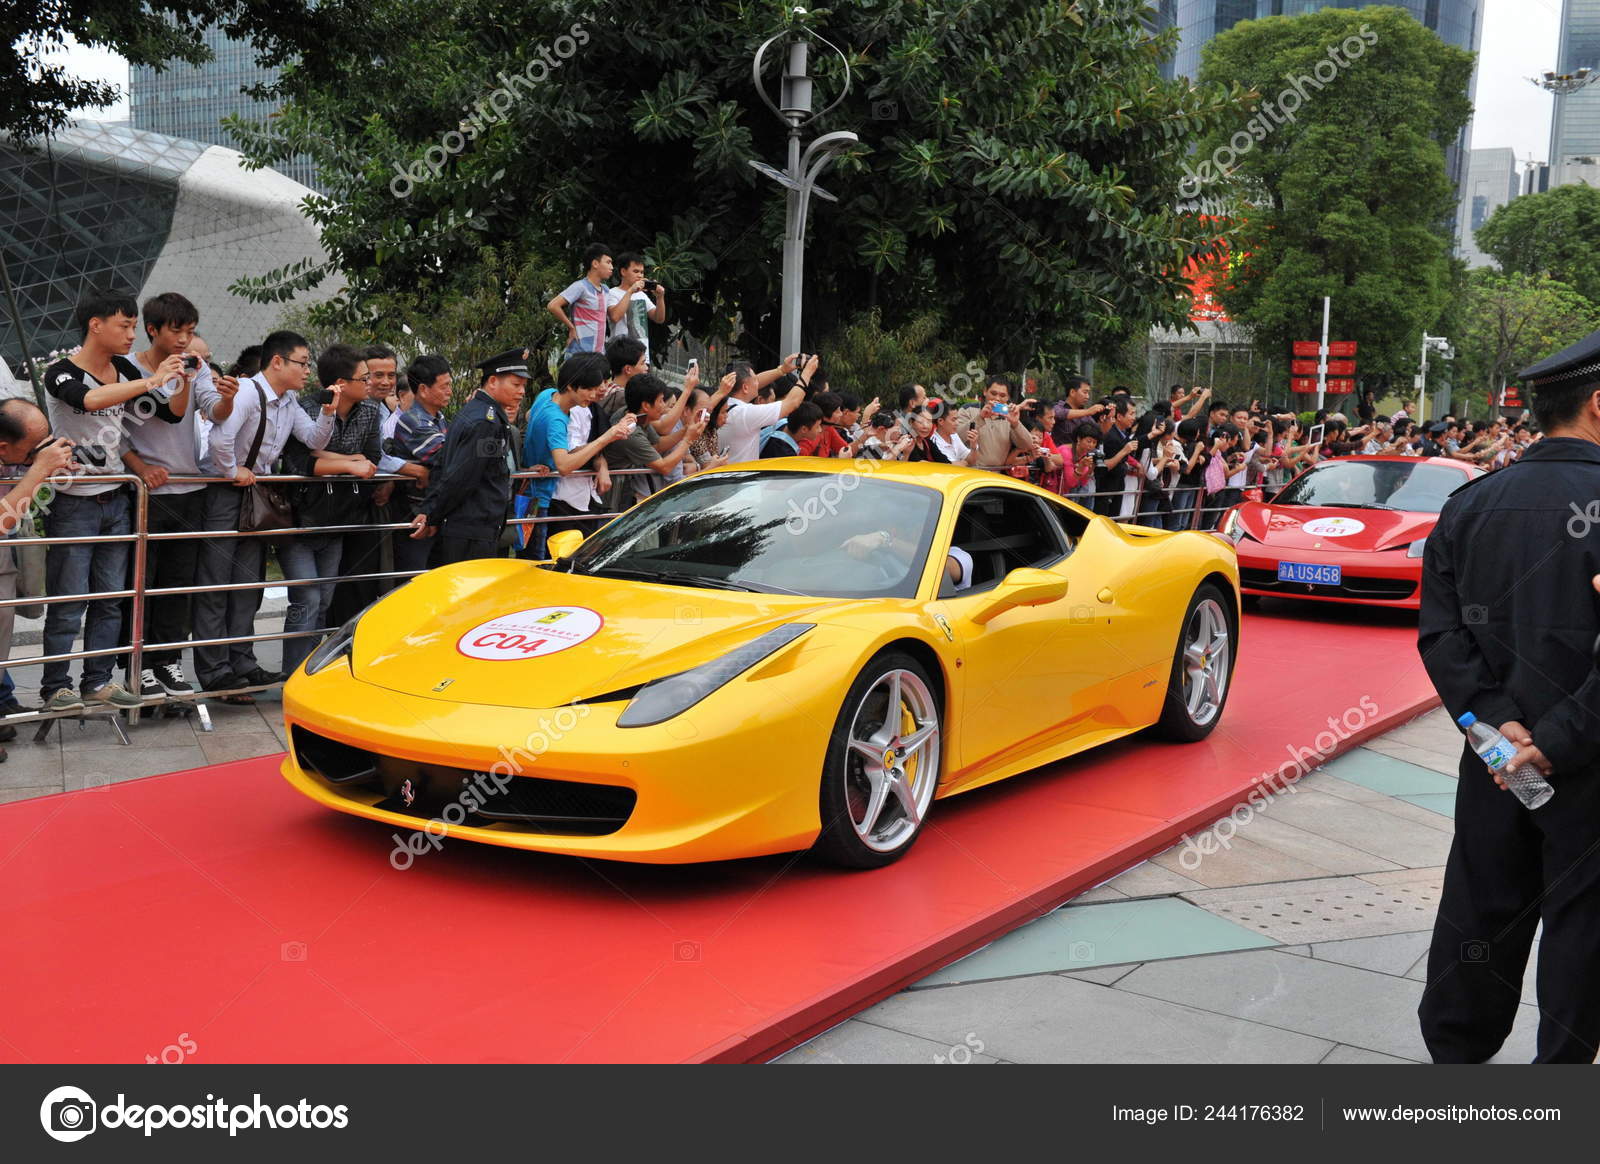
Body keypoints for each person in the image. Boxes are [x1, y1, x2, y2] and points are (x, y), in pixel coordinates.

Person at [1415, 328, 1600, 1063]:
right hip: (1588, 768)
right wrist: (1554, 743)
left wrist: (1503, 737)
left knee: (1482, 907)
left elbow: (1441, 640)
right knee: (1584, 920)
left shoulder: (1469, 505)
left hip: (1496, 765)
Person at [39, 289, 189, 711]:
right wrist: (151, 379)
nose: (131, 335)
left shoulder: (124, 369)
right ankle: (55, 687)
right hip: (73, 501)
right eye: (124, 326)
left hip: (116, 498)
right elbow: (87, 401)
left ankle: (99, 681)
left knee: (111, 598)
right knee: (69, 600)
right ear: (95, 325)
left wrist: (181, 381)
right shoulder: (61, 372)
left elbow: (172, 413)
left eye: (132, 326)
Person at [196, 330, 336, 695]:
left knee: (248, 583)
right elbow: (219, 441)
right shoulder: (246, 392)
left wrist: (327, 412)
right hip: (225, 492)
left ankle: (242, 661)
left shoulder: (289, 401)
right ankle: (215, 671)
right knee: (216, 582)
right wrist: (233, 471)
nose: (307, 371)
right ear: (278, 361)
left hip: (255, 493)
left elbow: (315, 441)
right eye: (302, 363)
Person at [119, 291, 239, 698]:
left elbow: (212, 411)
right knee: (144, 582)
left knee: (177, 583)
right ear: (152, 330)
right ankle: (139, 664)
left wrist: (226, 398)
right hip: (149, 491)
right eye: (177, 330)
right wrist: (140, 468)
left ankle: (168, 661)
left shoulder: (195, 365)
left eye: (190, 331)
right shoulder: (127, 368)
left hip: (191, 488)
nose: (185, 339)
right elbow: (116, 431)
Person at [278, 344, 384, 674]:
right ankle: (292, 673)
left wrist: (339, 462)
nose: (370, 383)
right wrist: (348, 464)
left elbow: (372, 458)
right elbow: (298, 461)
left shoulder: (368, 412)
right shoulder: (308, 408)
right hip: (300, 518)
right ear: (340, 382)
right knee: (306, 598)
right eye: (364, 377)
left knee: (323, 599)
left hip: (339, 517)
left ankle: (310, 673)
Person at [0, 400, 77, 744]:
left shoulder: (15, 457)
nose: (40, 452)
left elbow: (25, 500)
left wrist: (48, 470)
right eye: (33, 447)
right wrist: (37, 470)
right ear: (4, 446)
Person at [413, 349, 532, 564]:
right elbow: (463, 476)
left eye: (523, 385)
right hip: (472, 527)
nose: (522, 392)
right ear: (493, 381)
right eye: (516, 384)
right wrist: (433, 514)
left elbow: (446, 465)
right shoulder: (485, 422)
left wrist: (431, 509)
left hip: (471, 524)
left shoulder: (479, 411)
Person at [517, 352, 635, 560]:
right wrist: (605, 438)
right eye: (588, 389)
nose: (592, 394)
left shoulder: (547, 395)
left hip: (533, 495)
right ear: (571, 387)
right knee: (543, 564)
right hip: (542, 501)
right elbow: (564, 465)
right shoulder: (557, 420)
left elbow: (564, 450)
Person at [387, 354, 450, 579]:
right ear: (423, 389)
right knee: (413, 582)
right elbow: (449, 458)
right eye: (445, 386)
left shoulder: (439, 418)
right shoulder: (413, 421)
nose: (449, 391)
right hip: (414, 515)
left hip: (433, 511)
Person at [718, 355, 815, 463]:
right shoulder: (745, 413)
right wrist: (807, 373)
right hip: (740, 476)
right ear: (745, 388)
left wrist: (782, 370)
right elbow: (792, 403)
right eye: (755, 379)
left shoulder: (722, 404)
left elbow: (756, 382)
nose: (758, 383)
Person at [548, 243, 614, 355]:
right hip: (579, 354)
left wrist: (631, 291)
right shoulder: (581, 286)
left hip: (598, 355)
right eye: (608, 262)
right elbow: (552, 305)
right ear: (595, 263)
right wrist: (571, 327)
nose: (611, 267)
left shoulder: (606, 290)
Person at [607, 252, 666, 362]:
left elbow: (659, 318)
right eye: (635, 271)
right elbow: (614, 317)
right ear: (623, 271)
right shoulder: (612, 293)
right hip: (620, 355)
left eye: (642, 272)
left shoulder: (642, 295)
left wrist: (660, 298)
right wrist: (631, 291)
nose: (640, 275)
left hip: (642, 358)